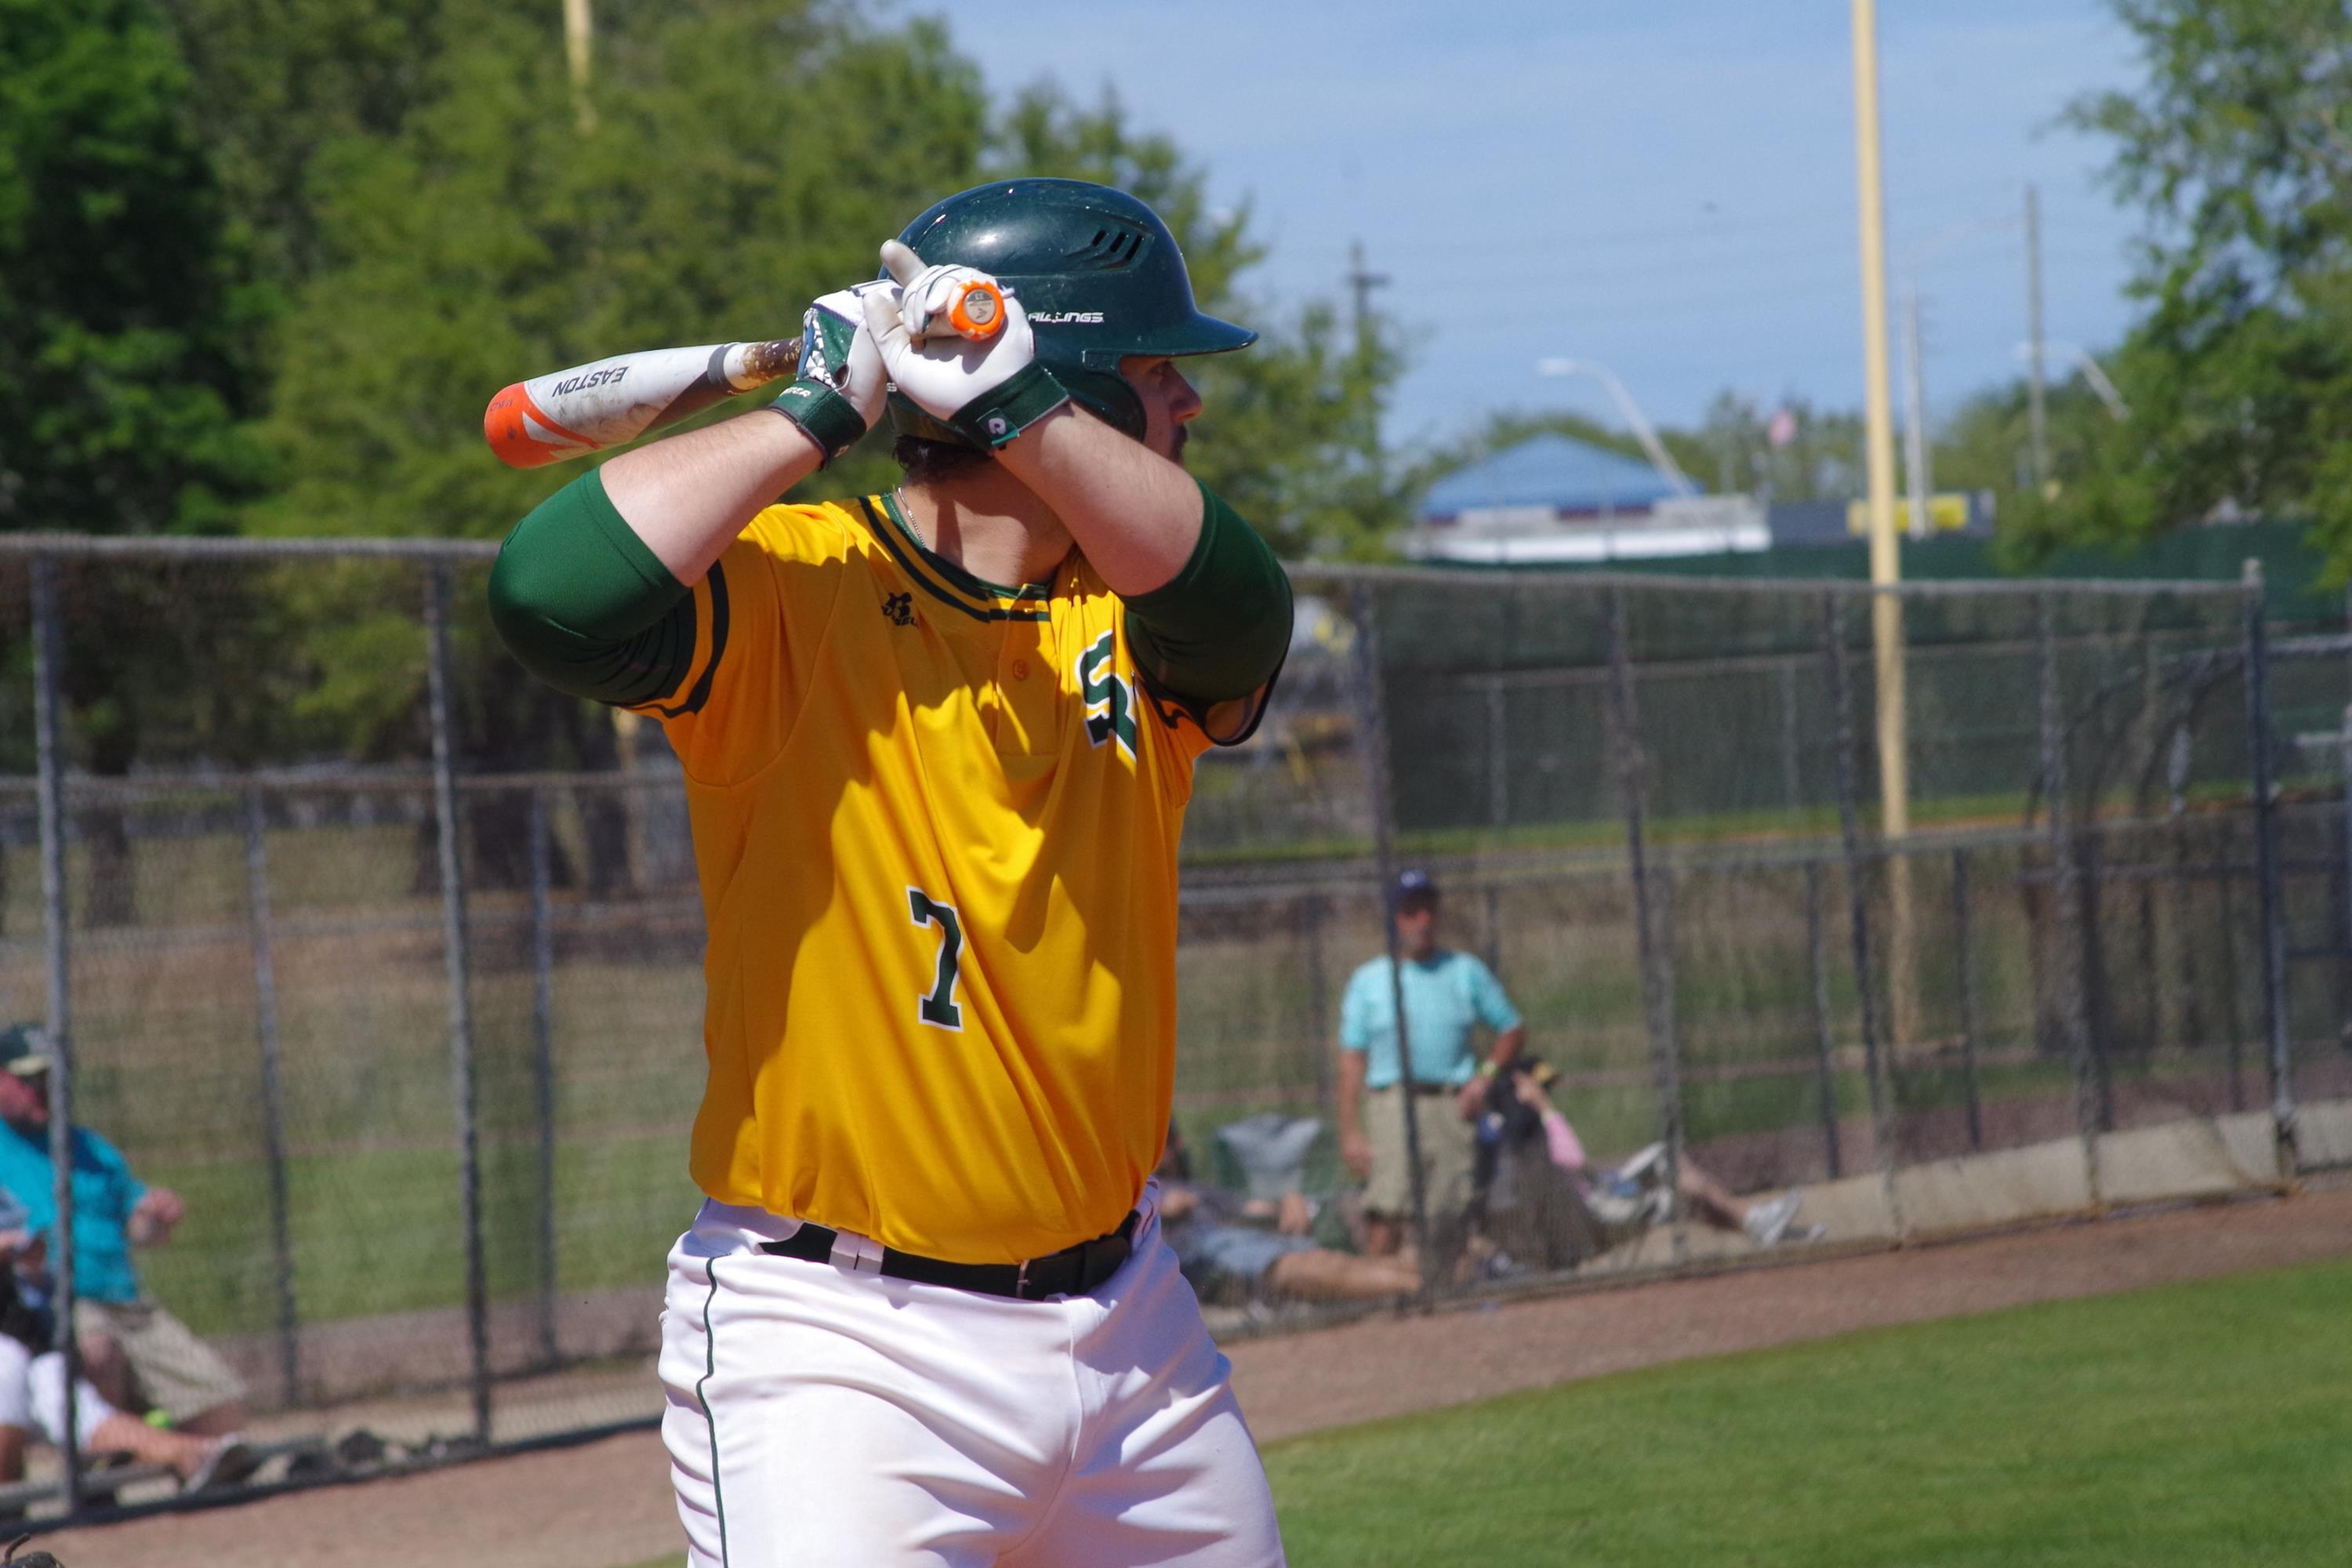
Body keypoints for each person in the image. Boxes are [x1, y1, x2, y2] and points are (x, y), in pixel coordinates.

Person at [489, 179, 1293, 1566]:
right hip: (845, 1349)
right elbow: (549, 594)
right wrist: (812, 414)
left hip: (1134, 1332)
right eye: (1161, 372)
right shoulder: (796, 584)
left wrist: (1015, 407)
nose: (1190, 404)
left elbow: (1243, 613)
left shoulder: (1132, 618)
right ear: (1097, 381)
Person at [0, 1028, 249, 1440]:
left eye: (51, 1079)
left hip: (127, 1302)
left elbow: (138, 1229)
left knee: (222, 1412)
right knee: (98, 1351)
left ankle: (184, 1460)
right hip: (54, 1301)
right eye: (29, 1081)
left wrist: (154, 1218)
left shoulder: (88, 1147)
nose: (42, 1090)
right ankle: (102, 1476)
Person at [0, 1190, 254, 1494]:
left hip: (26, 1339)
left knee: (58, 1388)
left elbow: (30, 1278)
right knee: (11, 1366)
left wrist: (29, 1263)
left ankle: (190, 1452)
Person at [1335, 869, 1526, 1260]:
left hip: (1449, 1105)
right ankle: (1380, 1301)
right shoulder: (1368, 980)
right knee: (1385, 1212)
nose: (1422, 920)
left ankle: (1447, 1300)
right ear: (1394, 919)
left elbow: (1511, 1029)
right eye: (1410, 911)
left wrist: (1483, 1079)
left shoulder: (1464, 971)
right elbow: (1352, 1060)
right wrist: (1351, 1130)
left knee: (1450, 1214)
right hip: (1391, 1105)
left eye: (1428, 910)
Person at [1496, 1063, 1818, 1260]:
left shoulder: (1520, 1133)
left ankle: (1759, 1226)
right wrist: (1544, 1107)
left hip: (1596, 1211)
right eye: (1543, 1087)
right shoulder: (1537, 1129)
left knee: (1684, 1199)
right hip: (1600, 1215)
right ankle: (1757, 1221)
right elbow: (1573, 1160)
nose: (1550, 1092)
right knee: (1665, 1159)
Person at [1155, 1126, 1419, 1308]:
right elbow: (1162, 1208)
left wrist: (1286, 1202)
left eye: (1169, 1142)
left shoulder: (1198, 1188)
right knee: (1299, 1268)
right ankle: (1416, 1287)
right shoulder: (1139, 1189)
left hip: (1247, 1242)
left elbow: (1250, 1209)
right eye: (1164, 1143)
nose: (1171, 1150)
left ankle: (1423, 1277)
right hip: (1213, 1260)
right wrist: (1166, 1205)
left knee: (1328, 1260)